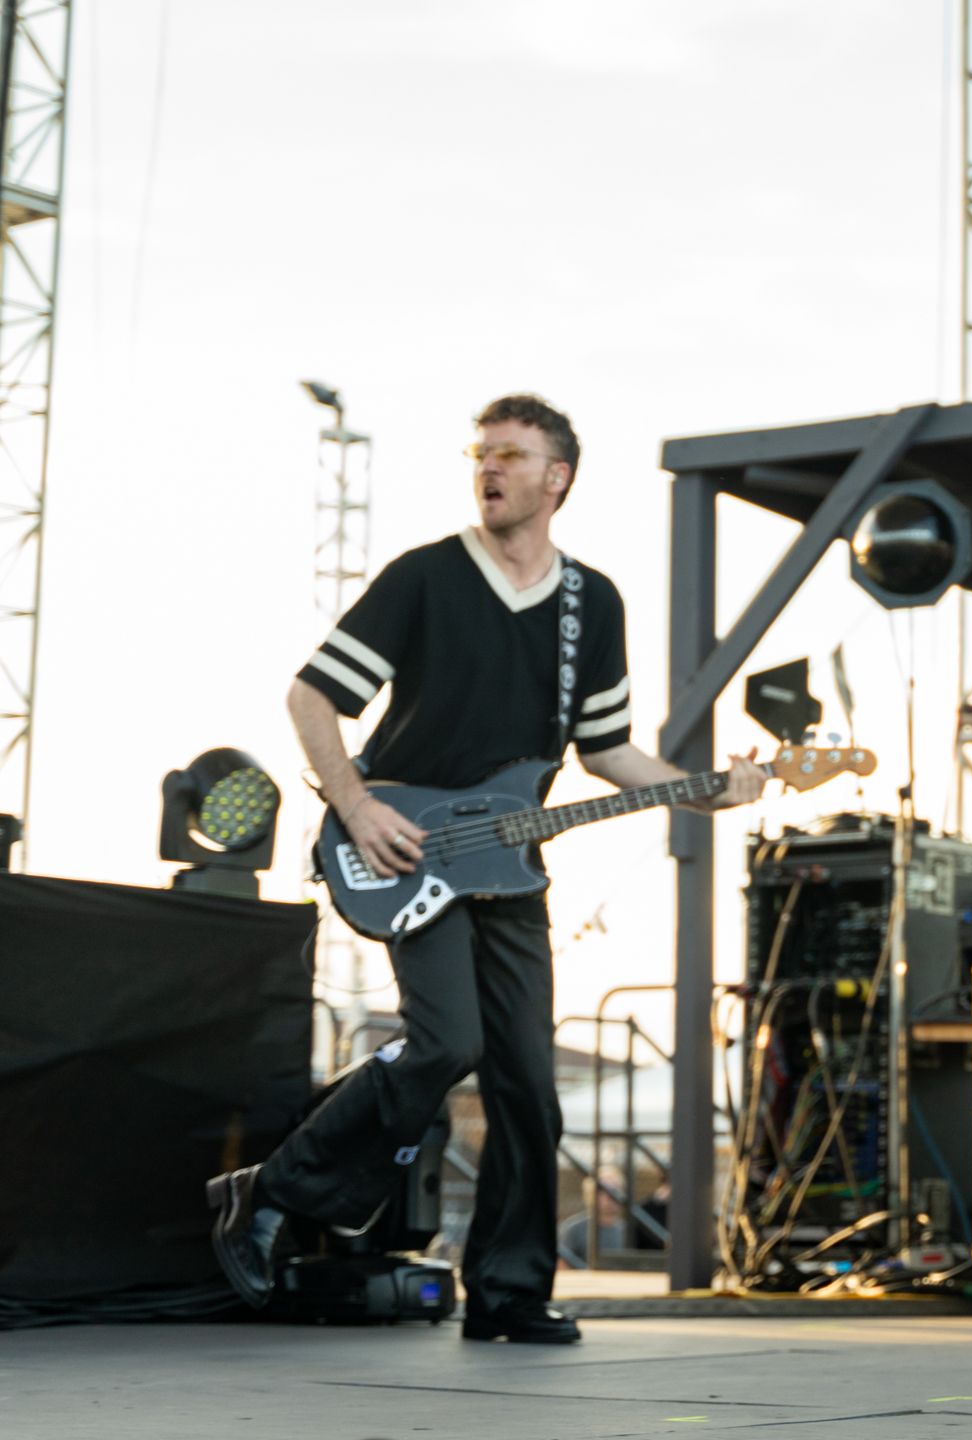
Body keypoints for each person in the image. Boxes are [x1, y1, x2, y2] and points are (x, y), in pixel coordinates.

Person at [207, 394, 767, 1344]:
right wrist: (357, 805)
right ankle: (269, 1191)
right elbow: (311, 697)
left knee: (528, 1087)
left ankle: (507, 1292)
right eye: (479, 454)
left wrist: (701, 788)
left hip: (510, 864)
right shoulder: (424, 577)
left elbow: (607, 752)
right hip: (404, 844)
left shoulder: (594, 602)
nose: (489, 468)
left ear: (558, 479)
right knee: (447, 1044)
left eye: (510, 454)